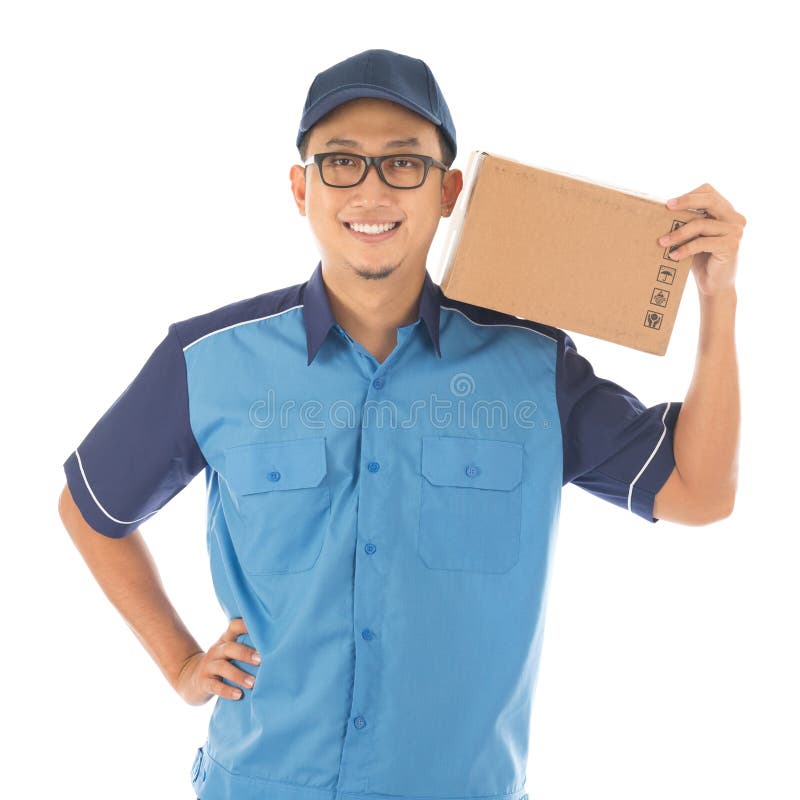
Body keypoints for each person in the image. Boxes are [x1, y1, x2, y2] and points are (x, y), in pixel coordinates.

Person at [58, 48, 743, 800]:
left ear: (448, 191)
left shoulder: (533, 369)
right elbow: (91, 511)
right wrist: (182, 664)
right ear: (302, 187)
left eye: (404, 163)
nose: (372, 189)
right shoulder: (209, 360)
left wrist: (718, 302)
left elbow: (700, 491)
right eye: (341, 161)